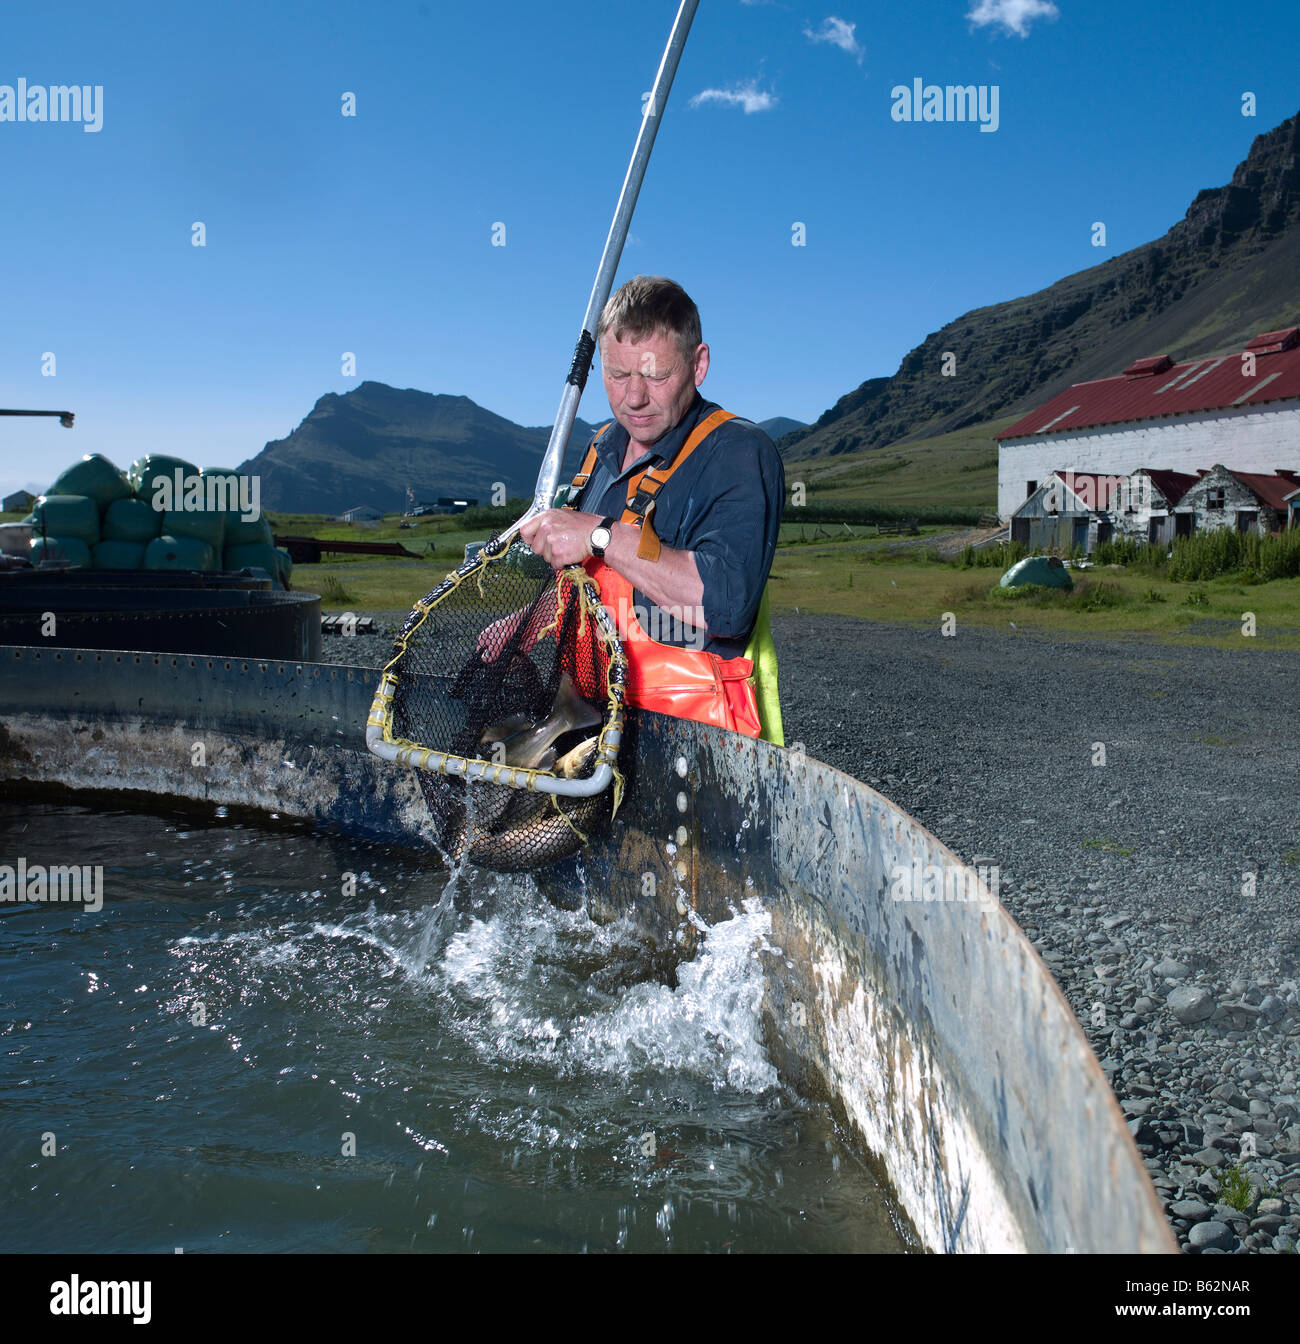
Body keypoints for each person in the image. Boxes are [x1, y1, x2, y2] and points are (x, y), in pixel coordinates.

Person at [519, 275, 784, 743]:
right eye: (618, 375)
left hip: (695, 745)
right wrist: (530, 622)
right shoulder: (600, 446)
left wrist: (601, 533)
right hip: (589, 727)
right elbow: (591, 585)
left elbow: (725, 603)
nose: (634, 397)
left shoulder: (738, 453)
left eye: (657, 375)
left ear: (698, 365)